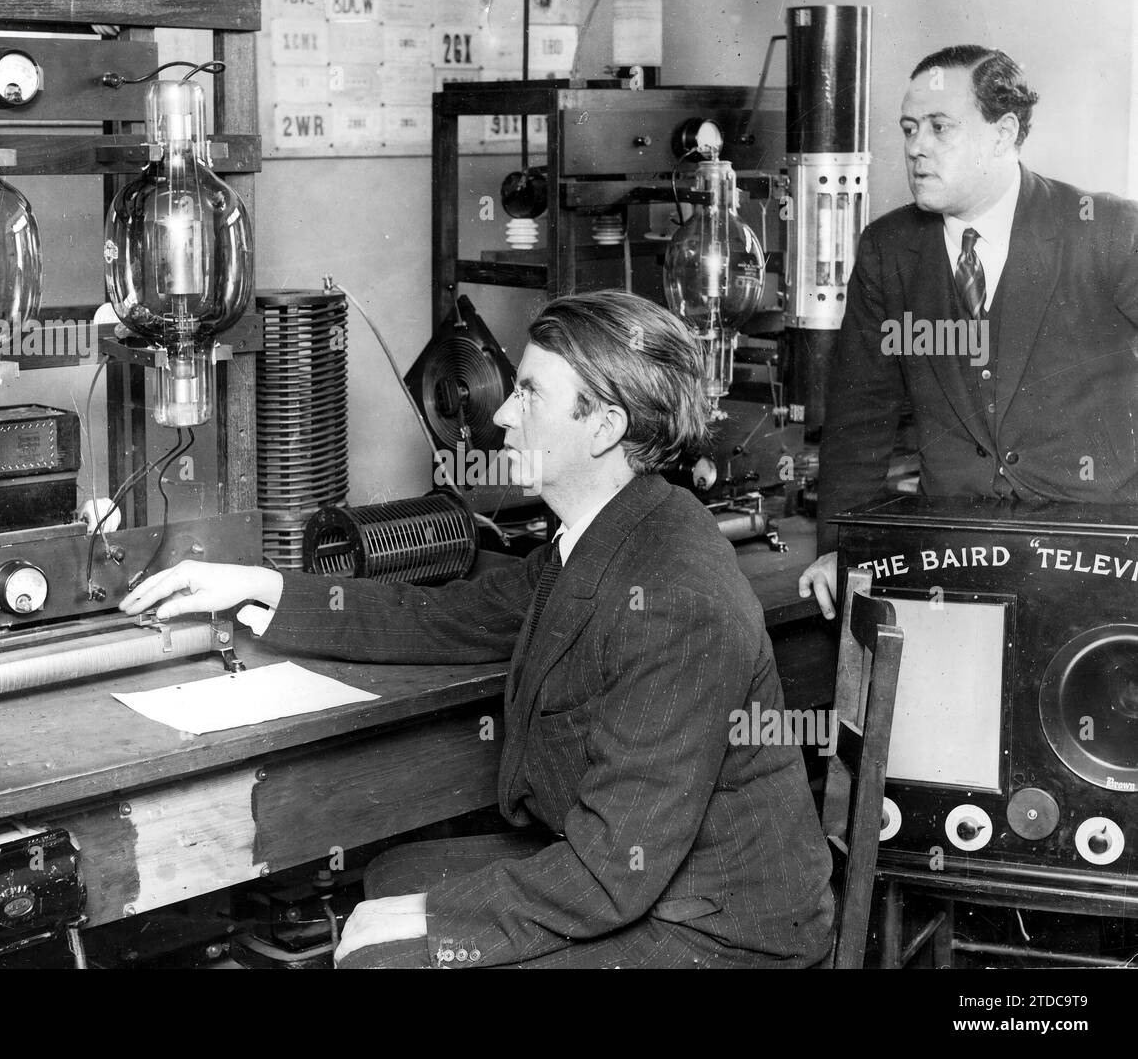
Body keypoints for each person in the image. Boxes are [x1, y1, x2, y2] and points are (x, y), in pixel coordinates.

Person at [122, 290, 833, 969]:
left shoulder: (674, 601)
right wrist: (262, 585)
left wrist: (432, 920)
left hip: (718, 934)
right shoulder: (609, 531)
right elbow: (448, 616)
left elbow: (613, 874)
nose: (502, 419)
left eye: (530, 395)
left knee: (385, 949)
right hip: (643, 880)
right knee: (394, 877)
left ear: (605, 427)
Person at [800, 45, 1138, 618]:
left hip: (1101, 563)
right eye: (909, 129)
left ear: (1003, 134)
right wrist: (842, 549)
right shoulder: (889, 250)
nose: (915, 147)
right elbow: (860, 419)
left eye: (939, 127)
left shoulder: (1105, 231)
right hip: (952, 563)